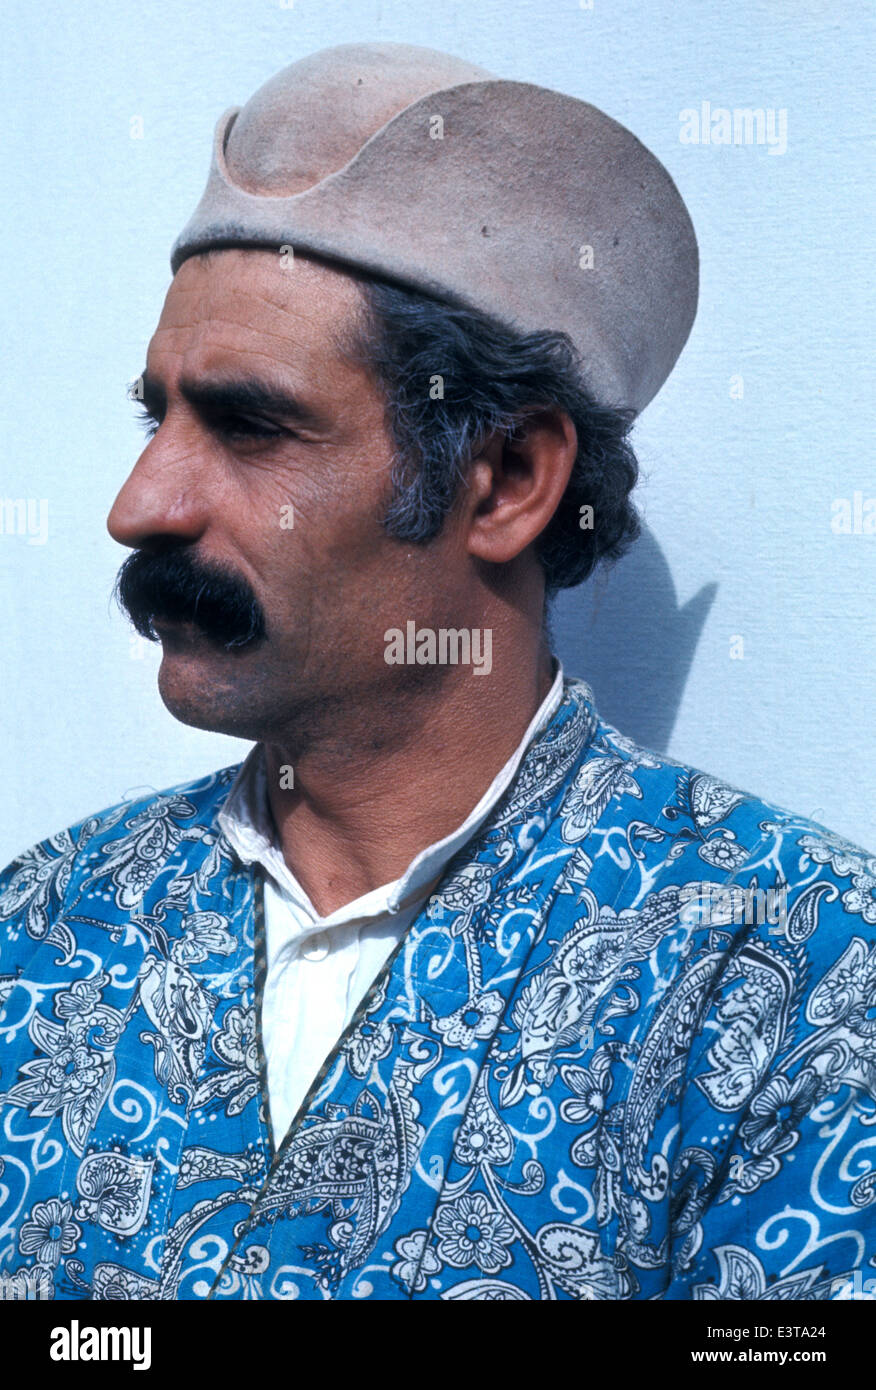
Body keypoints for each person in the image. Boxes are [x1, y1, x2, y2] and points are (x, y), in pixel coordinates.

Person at [1, 42, 873, 1303]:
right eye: (159, 418)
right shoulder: (40, 934)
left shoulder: (794, 979)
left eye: (249, 425)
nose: (141, 505)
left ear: (510, 481)